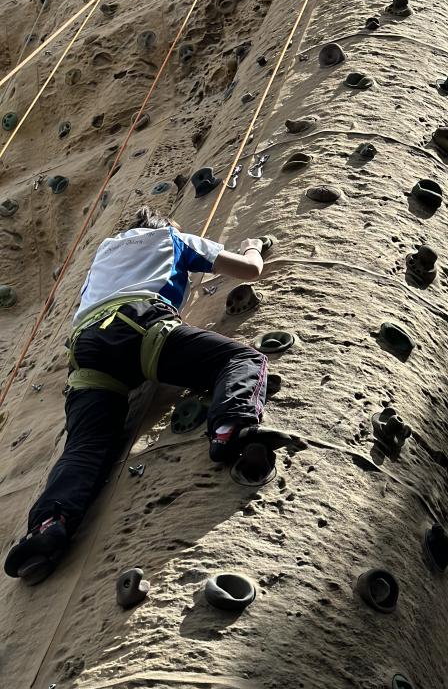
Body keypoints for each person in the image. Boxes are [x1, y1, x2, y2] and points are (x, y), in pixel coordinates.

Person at [3, 207, 289, 586]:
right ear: (167, 227)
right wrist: (254, 246)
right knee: (242, 358)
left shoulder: (104, 250)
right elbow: (250, 271)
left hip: (88, 348)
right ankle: (229, 427)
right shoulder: (175, 239)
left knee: (86, 445)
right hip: (143, 325)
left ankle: (48, 527)